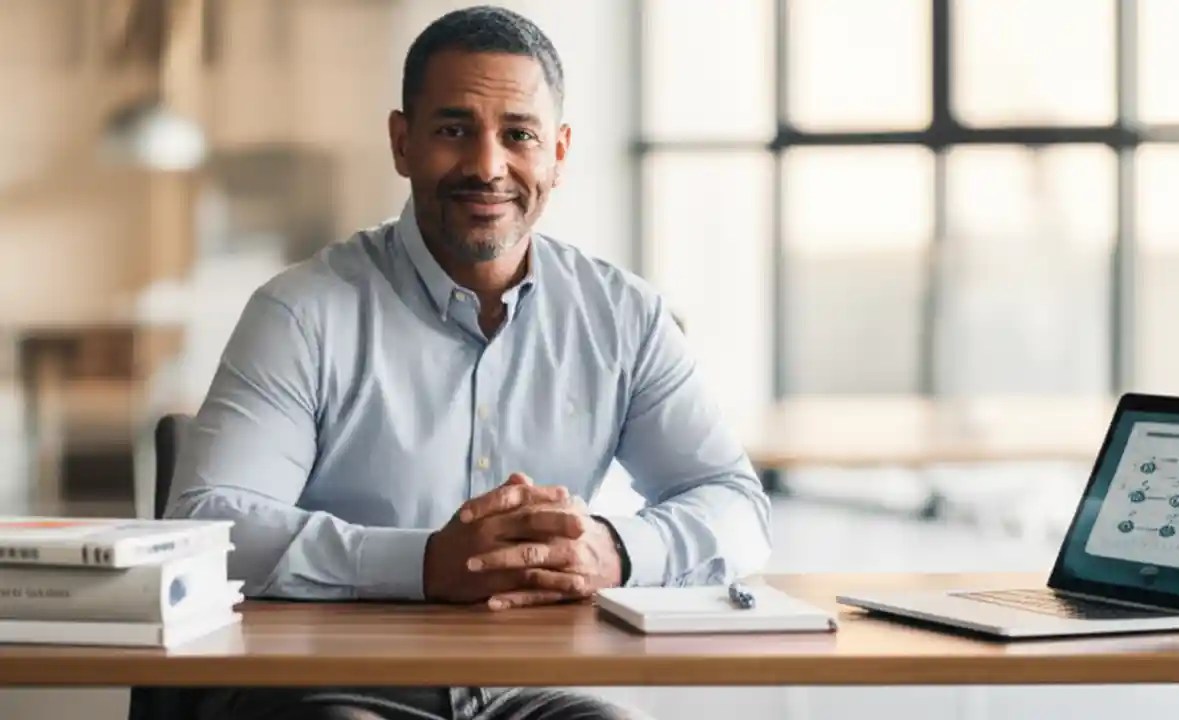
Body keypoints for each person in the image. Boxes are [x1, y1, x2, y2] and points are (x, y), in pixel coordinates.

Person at [167, 5, 771, 719]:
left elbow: (738, 508)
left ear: (559, 153)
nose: (488, 166)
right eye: (454, 130)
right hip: (334, 683)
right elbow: (211, 528)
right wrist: (422, 564)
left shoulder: (624, 317)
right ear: (402, 142)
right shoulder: (302, 312)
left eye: (519, 135)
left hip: (526, 688)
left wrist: (613, 550)